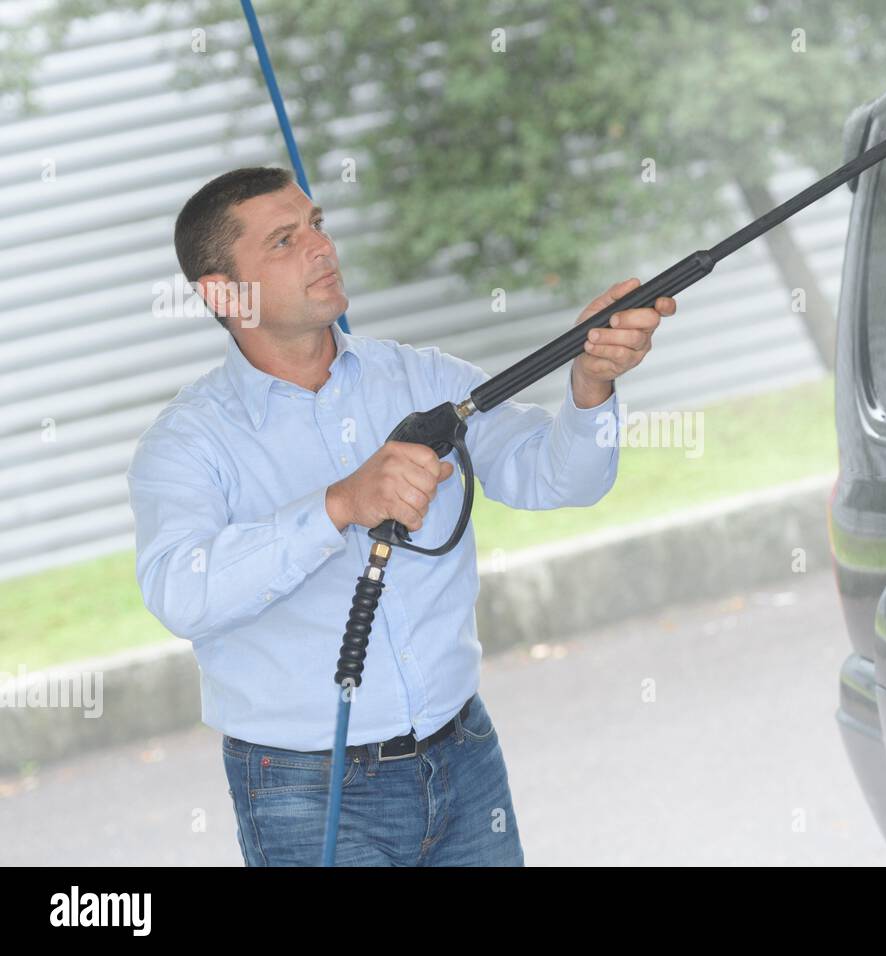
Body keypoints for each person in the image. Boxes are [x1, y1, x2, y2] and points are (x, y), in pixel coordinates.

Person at [126, 166, 675, 865]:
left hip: (464, 755)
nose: (322, 248)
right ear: (222, 291)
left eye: (318, 224)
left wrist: (591, 383)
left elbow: (554, 476)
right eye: (285, 241)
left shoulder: (425, 380)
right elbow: (183, 592)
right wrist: (338, 506)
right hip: (304, 790)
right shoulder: (185, 444)